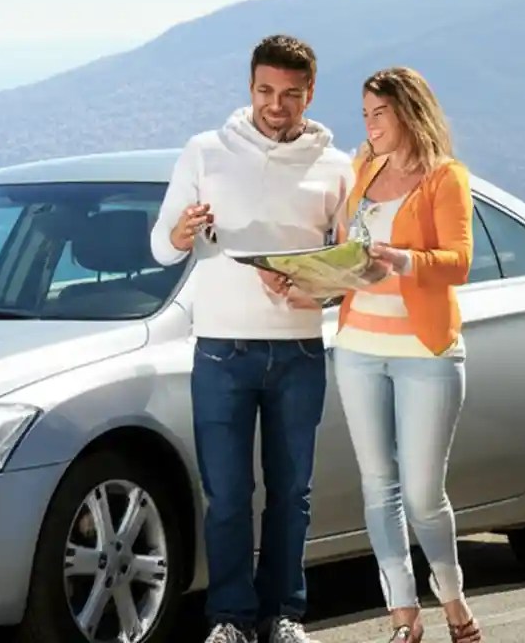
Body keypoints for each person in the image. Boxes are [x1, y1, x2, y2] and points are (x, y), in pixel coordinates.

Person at [150, 34, 353, 643]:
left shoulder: (336, 167)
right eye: (266, 91)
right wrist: (183, 233)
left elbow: (349, 267)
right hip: (220, 352)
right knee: (229, 496)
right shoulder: (205, 152)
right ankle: (230, 621)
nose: (276, 104)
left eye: (290, 94)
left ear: (309, 94)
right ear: (250, 88)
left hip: (298, 351)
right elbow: (160, 247)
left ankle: (285, 616)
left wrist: (314, 286)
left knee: (292, 493)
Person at [330, 66, 482, 643]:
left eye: (379, 114)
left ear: (409, 112)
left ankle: (454, 602)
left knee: (422, 494)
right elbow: (344, 248)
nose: (369, 125)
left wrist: (403, 260)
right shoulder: (360, 170)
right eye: (365, 114)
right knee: (378, 487)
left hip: (426, 351)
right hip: (357, 348)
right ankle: (402, 616)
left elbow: (460, 262)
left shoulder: (446, 177)